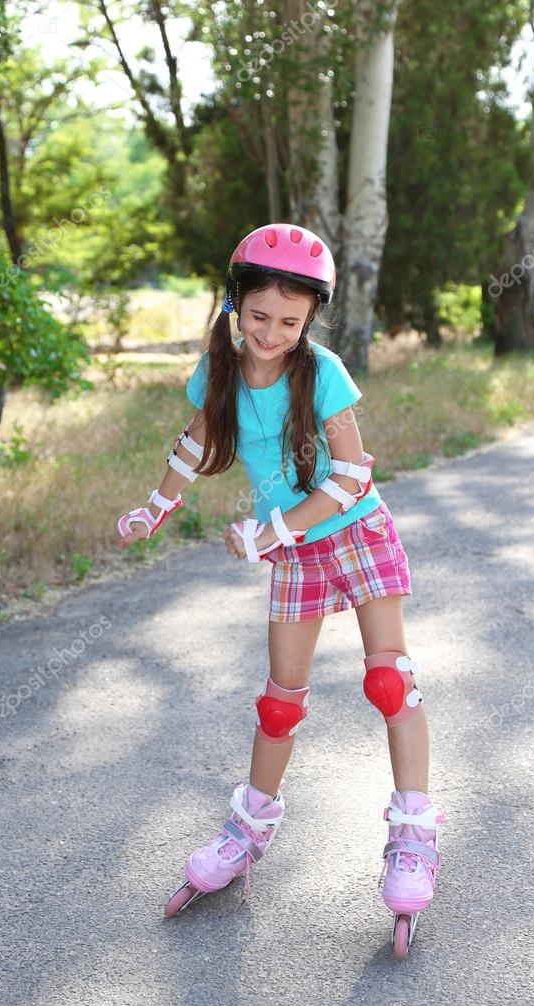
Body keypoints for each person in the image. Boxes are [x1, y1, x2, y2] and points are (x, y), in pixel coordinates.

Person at [117, 223, 445, 954]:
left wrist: (275, 530)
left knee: (391, 680)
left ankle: (414, 835)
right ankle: (247, 830)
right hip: (295, 553)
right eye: (258, 316)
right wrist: (156, 503)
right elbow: (197, 441)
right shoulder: (221, 370)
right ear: (235, 303)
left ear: (310, 321)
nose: (271, 332)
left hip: (353, 533)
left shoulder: (320, 370)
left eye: (289, 322)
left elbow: (353, 474)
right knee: (278, 700)